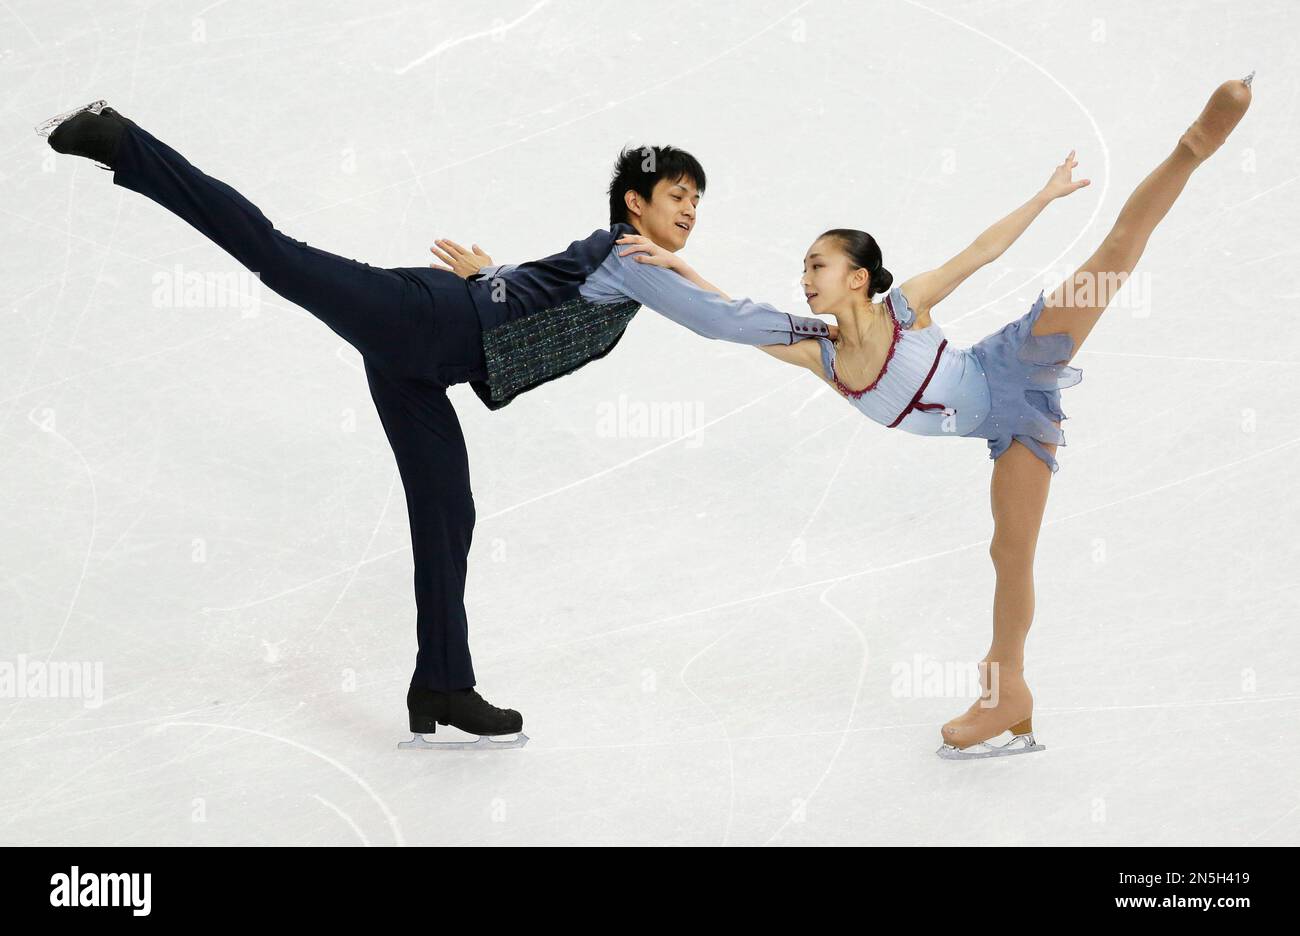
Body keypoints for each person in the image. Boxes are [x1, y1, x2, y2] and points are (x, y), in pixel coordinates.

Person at [36, 106, 832, 747]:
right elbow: (725, 322)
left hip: (425, 357)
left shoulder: (615, 255)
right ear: (638, 202)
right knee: (276, 254)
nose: (690, 209)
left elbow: (542, 289)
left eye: (697, 199)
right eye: (677, 195)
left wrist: (490, 276)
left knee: (449, 512)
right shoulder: (632, 259)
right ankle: (125, 143)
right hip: (421, 321)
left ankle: (442, 686)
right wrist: (825, 332)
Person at [599, 74, 1254, 759]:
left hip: (1018, 364)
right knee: (1010, 553)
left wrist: (1043, 196)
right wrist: (675, 267)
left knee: (1112, 257)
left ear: (857, 276)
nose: (804, 276)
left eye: (816, 263)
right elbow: (735, 317)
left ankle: (1193, 145)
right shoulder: (820, 357)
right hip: (1010, 429)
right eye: (802, 267)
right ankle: (1011, 696)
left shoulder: (903, 308)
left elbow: (982, 250)